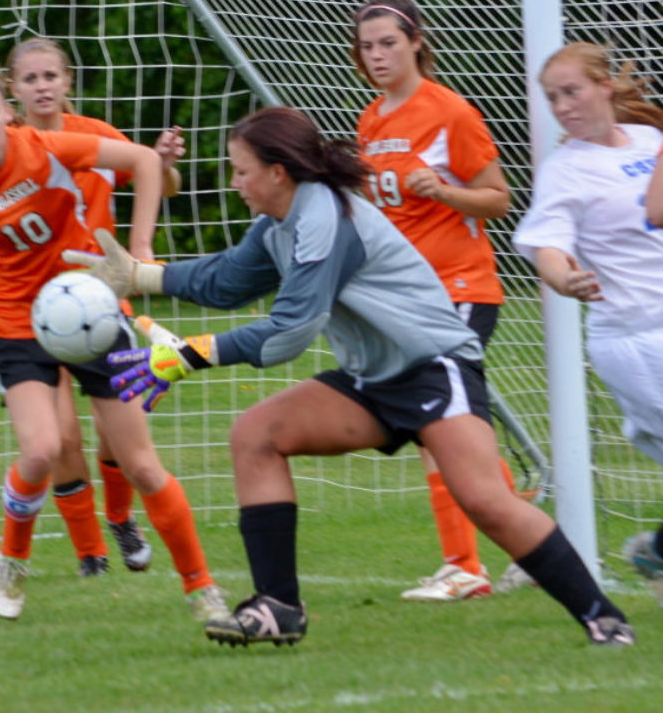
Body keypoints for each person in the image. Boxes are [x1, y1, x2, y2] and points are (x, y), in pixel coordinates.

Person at [65, 104, 634, 647]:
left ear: (277, 172)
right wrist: (142, 276)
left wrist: (190, 355)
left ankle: (602, 617)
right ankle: (277, 609)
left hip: (434, 366)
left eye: (241, 171)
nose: (235, 182)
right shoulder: (279, 222)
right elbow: (227, 281)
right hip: (373, 378)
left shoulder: (323, 217)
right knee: (255, 436)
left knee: (484, 500)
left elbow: (290, 332)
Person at [0, 65, 227, 622]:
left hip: (89, 308)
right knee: (41, 449)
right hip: (17, 324)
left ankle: (202, 588)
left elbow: (143, 160)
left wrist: (138, 250)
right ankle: (13, 560)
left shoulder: (46, 147)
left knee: (141, 463)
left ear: (7, 114)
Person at [0, 37, 185, 576]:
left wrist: (166, 169)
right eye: (30, 79)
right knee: (58, 437)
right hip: (29, 310)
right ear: (14, 89)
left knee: (117, 433)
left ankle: (122, 520)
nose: (41, 87)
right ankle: (91, 555)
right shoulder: (0, 147)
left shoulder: (94, 137)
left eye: (49, 77)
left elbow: (159, 179)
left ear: (67, 81)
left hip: (99, 299)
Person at [351, 0, 519, 601]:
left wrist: (445, 193)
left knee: (435, 424)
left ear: (417, 41)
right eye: (368, 46)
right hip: (412, 297)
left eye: (388, 43)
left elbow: (498, 198)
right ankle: (530, 539)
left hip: (463, 290)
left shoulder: (449, 111)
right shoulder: (371, 119)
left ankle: (464, 567)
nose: (377, 56)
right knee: (454, 429)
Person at [514, 41, 663, 601]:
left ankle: (658, 554)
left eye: (571, 91)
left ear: (604, 86)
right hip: (631, 338)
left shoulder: (650, 141)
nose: (563, 106)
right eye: (553, 98)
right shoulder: (566, 170)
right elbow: (544, 245)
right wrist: (563, 280)